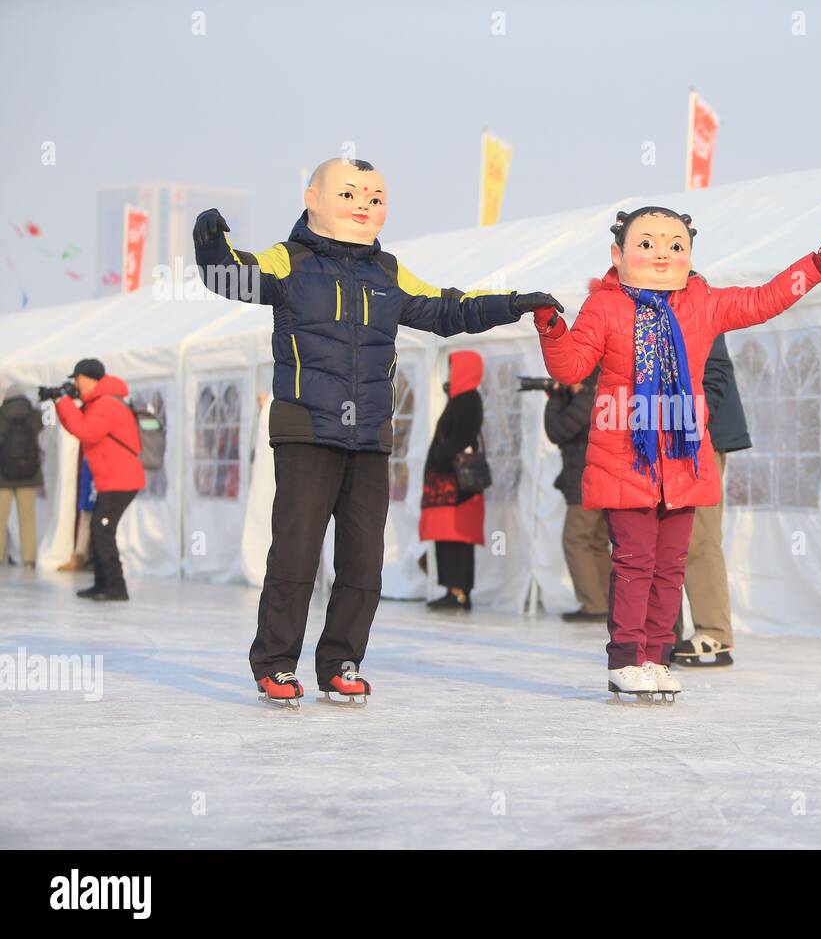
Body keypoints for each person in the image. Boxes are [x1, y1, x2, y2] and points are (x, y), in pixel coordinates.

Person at [193, 157, 561, 707]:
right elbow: (236, 278)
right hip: (306, 430)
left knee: (364, 559)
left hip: (369, 434)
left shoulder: (387, 272)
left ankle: (342, 660)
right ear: (312, 198)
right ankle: (275, 663)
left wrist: (510, 304)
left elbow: (446, 309)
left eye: (375, 196)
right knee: (295, 551)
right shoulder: (289, 261)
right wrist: (211, 250)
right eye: (350, 193)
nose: (365, 204)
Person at [532, 205, 821, 699]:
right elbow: (571, 368)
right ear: (619, 253)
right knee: (635, 561)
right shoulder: (606, 307)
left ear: (690, 255)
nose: (662, 254)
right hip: (625, 455)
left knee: (670, 565)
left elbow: (763, 300)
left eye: (675, 246)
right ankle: (626, 658)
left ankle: (656, 657)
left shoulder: (702, 304)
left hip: (681, 459)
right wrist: (552, 329)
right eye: (648, 243)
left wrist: (816, 264)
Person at [674, 334, 749, 666]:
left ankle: (714, 633)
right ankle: (662, 632)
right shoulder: (636, 301)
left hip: (700, 434)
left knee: (700, 536)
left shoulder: (695, 294)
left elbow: (716, 369)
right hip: (656, 432)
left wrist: (691, 420)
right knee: (663, 538)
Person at [49, 359, 145, 601]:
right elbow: (77, 425)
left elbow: (85, 431)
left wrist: (63, 400)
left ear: (90, 379)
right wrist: (62, 401)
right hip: (111, 479)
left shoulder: (106, 404)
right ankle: (102, 584)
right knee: (99, 528)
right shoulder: (99, 402)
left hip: (121, 480)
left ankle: (116, 587)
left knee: (102, 530)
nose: (75, 384)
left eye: (77, 379)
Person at [421, 351, 487, 613]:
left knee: (456, 536)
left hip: (456, 484)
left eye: (454, 370)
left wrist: (440, 454)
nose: (450, 375)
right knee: (448, 535)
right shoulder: (460, 399)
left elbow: (462, 437)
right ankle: (454, 589)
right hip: (450, 484)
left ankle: (458, 591)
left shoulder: (468, 400)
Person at [544, 368, 611, 622]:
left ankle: (593, 604)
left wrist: (554, 399)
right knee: (595, 542)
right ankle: (605, 602)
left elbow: (558, 430)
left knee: (576, 540)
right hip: (601, 479)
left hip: (585, 481)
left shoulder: (589, 396)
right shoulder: (600, 391)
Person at [0, 384, 44, 569]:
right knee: (27, 518)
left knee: (0, 519)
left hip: (2, 475)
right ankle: (29, 559)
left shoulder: (1, 415)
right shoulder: (34, 415)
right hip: (30, 474)